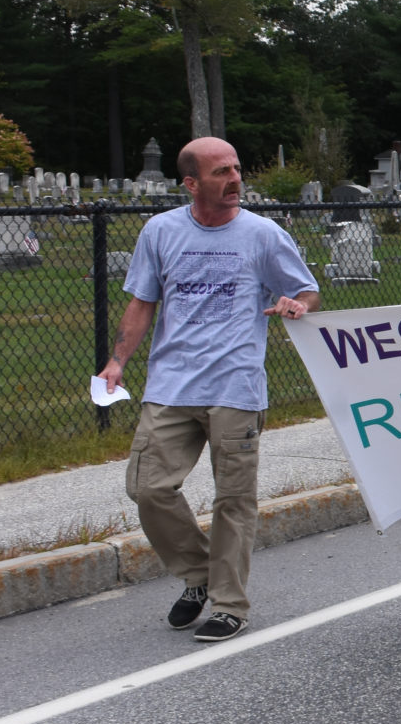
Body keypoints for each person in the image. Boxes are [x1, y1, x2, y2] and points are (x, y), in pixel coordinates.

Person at [98, 137, 320, 643]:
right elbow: (141, 303)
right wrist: (117, 361)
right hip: (172, 383)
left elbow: (306, 289)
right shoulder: (161, 231)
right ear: (192, 183)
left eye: (237, 168)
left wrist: (298, 305)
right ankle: (199, 575)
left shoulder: (263, 234)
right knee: (148, 488)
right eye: (222, 172)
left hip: (236, 386)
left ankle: (228, 604)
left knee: (233, 501)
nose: (236, 179)